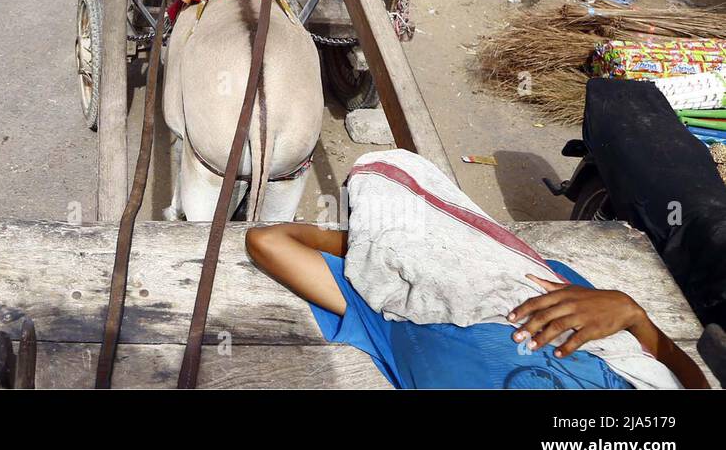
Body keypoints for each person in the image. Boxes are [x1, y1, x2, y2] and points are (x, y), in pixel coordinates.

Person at [246, 150, 708, 389]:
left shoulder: (529, 273)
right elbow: (269, 242)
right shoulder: (387, 308)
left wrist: (634, 316)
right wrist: (369, 245)